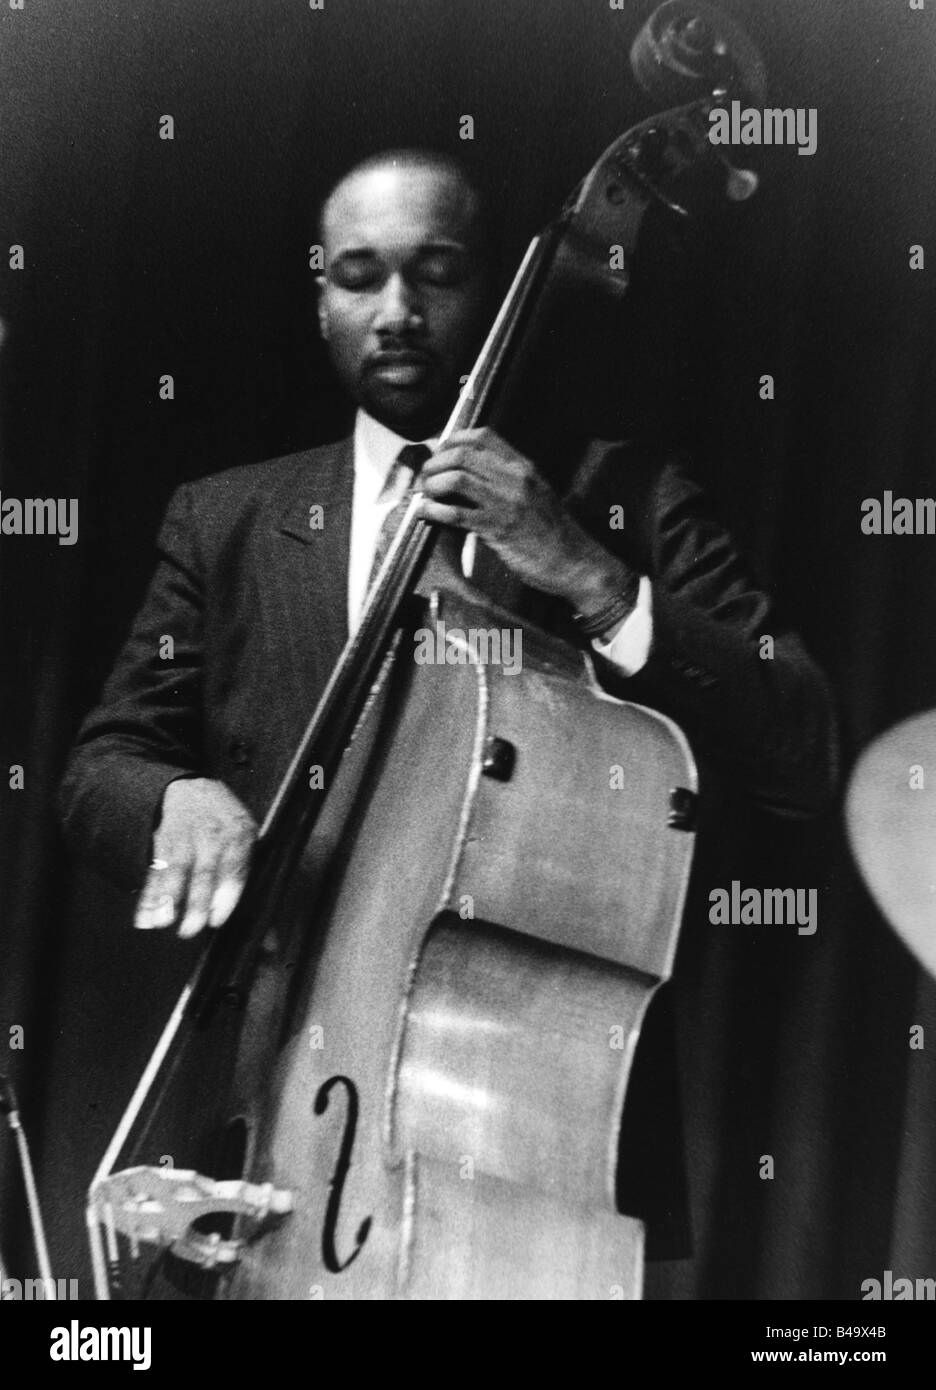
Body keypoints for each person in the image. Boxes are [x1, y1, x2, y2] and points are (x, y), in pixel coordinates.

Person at [59, 148, 837, 1260]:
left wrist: (587, 571)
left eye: (436, 271)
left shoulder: (624, 495)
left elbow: (800, 745)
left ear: (500, 286)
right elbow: (101, 765)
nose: (398, 311)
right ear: (319, 297)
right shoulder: (227, 519)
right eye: (358, 276)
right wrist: (173, 791)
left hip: (545, 1161)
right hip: (276, 1127)